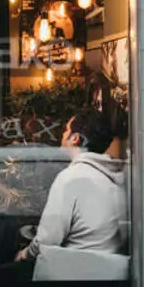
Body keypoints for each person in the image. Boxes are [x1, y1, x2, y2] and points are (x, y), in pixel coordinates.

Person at [15, 109, 128, 262]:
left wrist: (24, 254)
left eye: (66, 130)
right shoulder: (113, 177)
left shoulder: (71, 178)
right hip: (107, 271)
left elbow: (47, 240)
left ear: (75, 139)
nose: (62, 134)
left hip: (74, 273)